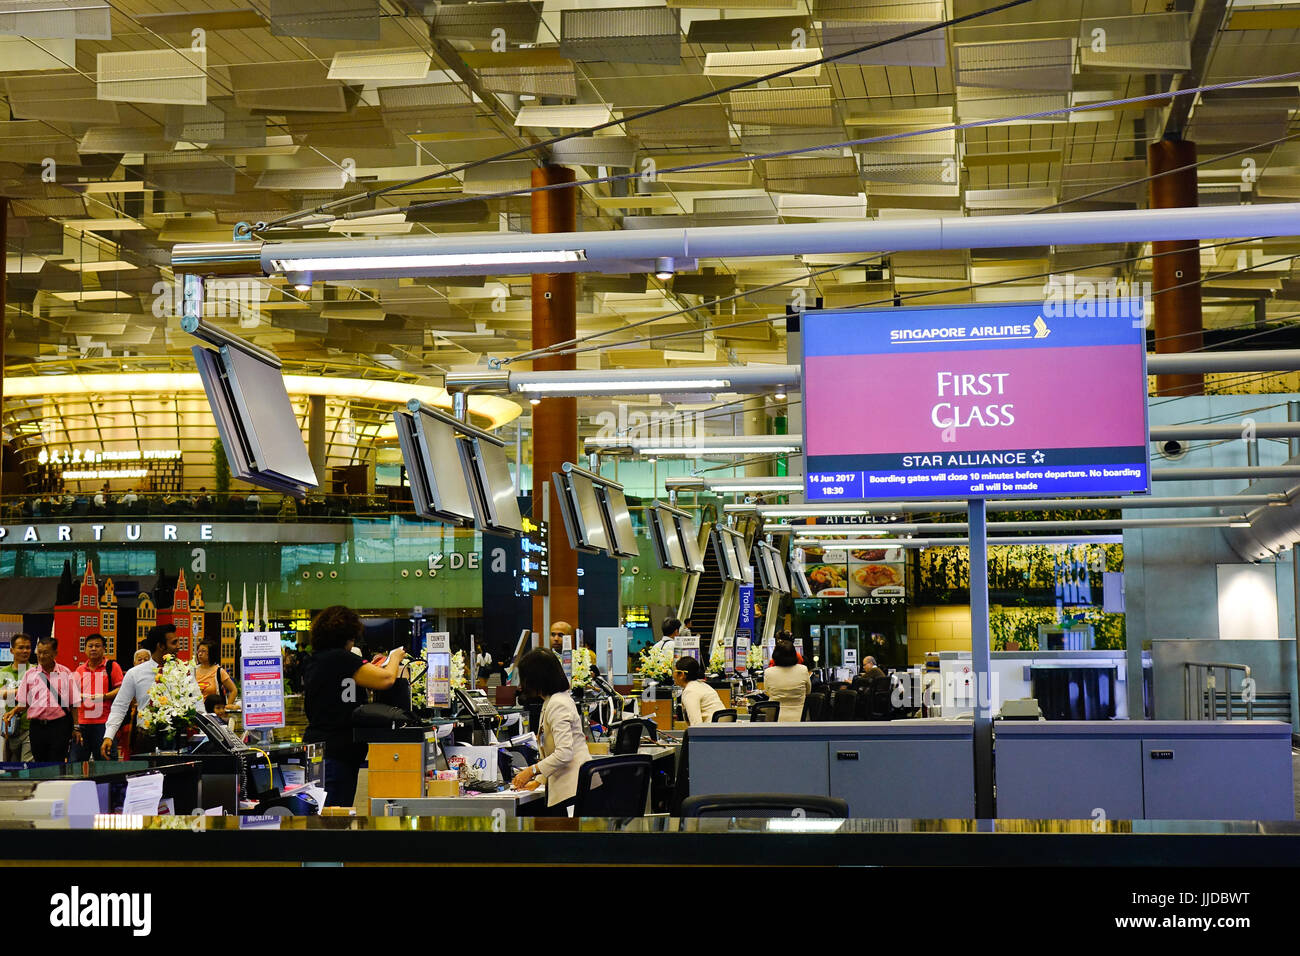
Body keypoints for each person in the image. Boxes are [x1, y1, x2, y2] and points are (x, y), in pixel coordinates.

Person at [302, 605, 405, 808]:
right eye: (352, 638)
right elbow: (386, 679)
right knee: (334, 817)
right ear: (346, 636)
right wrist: (394, 658)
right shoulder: (341, 658)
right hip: (336, 751)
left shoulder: (318, 660)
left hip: (322, 747)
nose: (353, 643)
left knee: (322, 813)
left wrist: (371, 667)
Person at [510, 648, 591, 814]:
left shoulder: (557, 704)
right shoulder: (554, 701)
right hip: (573, 786)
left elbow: (564, 753)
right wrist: (539, 780)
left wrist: (531, 771)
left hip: (572, 789)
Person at [101, 625, 180, 758]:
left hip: (175, 736)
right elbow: (120, 706)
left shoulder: (183, 670)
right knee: (145, 778)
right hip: (145, 737)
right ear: (160, 646)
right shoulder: (135, 673)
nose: (178, 646)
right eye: (174, 642)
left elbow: (196, 701)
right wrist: (109, 735)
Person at [4, 636, 80, 762]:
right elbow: (24, 702)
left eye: (46, 653)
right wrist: (13, 712)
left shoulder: (65, 673)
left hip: (60, 726)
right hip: (36, 727)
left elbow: (74, 703)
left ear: (55, 653)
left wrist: (76, 728)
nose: (41, 656)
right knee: (39, 763)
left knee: (57, 762)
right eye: (39, 652)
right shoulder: (30, 674)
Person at [71, 634, 123, 761]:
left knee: (106, 762)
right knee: (76, 764)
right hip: (83, 724)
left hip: (104, 723)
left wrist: (103, 697)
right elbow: (72, 696)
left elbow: (121, 690)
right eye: (90, 646)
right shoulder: (79, 670)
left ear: (104, 649)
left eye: (97, 646)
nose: (93, 648)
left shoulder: (112, 666)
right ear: (85, 649)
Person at [0, 634, 35, 761]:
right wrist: (23, 690)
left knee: (28, 765)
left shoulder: (36, 670)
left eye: (28, 648)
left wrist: (11, 691)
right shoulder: (4, 672)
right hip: (10, 727)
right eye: (21, 648)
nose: (25, 651)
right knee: (10, 767)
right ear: (11, 650)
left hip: (31, 726)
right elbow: (1, 694)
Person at [763, 635, 811, 723]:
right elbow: (808, 691)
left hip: (775, 719)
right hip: (800, 718)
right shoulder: (803, 669)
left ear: (775, 655)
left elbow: (767, 692)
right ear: (794, 654)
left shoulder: (768, 672)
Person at [673, 655, 724, 725]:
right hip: (720, 731)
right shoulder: (705, 686)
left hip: (709, 732)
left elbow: (696, 724)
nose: (673, 675)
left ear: (682, 674)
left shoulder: (690, 691)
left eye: (674, 671)